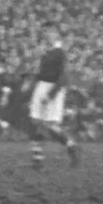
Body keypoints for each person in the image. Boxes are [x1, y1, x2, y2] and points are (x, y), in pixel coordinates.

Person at [25, 24, 80, 168]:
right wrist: (32, 77)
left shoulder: (60, 53)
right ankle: (37, 157)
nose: (45, 35)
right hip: (42, 86)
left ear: (55, 34)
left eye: (48, 32)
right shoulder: (47, 52)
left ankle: (71, 145)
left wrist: (51, 95)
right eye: (43, 32)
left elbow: (63, 77)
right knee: (35, 121)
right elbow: (42, 72)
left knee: (50, 125)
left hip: (52, 87)